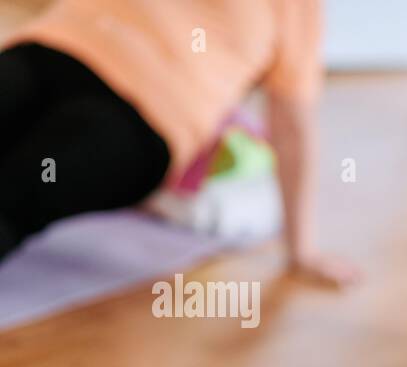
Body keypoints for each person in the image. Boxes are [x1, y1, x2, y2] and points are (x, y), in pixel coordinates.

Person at [0, 0, 359, 285]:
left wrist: (302, 249)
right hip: (52, 50)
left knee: (24, 185)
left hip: (145, 114)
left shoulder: (297, 6)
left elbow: (291, 128)